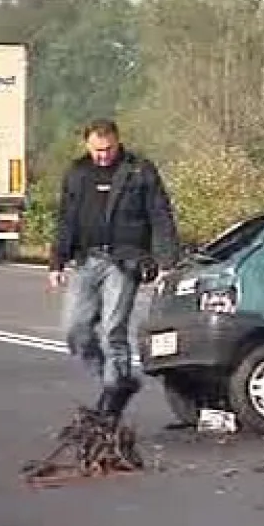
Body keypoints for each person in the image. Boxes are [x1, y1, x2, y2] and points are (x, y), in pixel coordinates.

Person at [47, 118, 179, 421]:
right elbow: (66, 219)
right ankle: (117, 381)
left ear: (118, 142)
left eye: (108, 149)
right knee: (75, 330)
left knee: (112, 331)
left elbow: (160, 215)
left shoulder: (138, 170)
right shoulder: (77, 172)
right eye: (97, 150)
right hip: (86, 260)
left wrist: (166, 261)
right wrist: (57, 262)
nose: (103, 156)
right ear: (87, 145)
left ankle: (112, 395)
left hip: (123, 261)